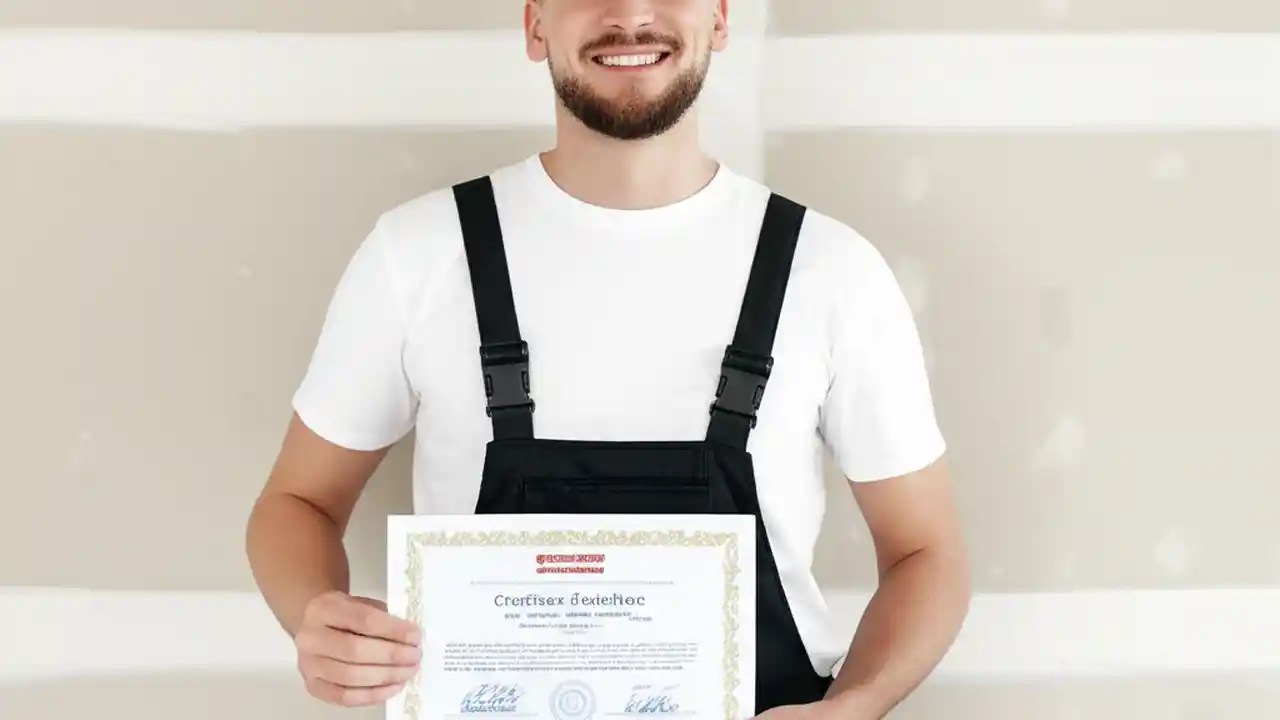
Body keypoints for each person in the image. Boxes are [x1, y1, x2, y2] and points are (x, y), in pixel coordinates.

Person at [245, 1, 971, 717]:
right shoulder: (419, 254)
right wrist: (318, 615)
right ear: (535, 24)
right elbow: (296, 503)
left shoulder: (832, 270)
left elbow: (925, 553)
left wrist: (855, 706)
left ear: (720, 18)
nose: (630, 12)